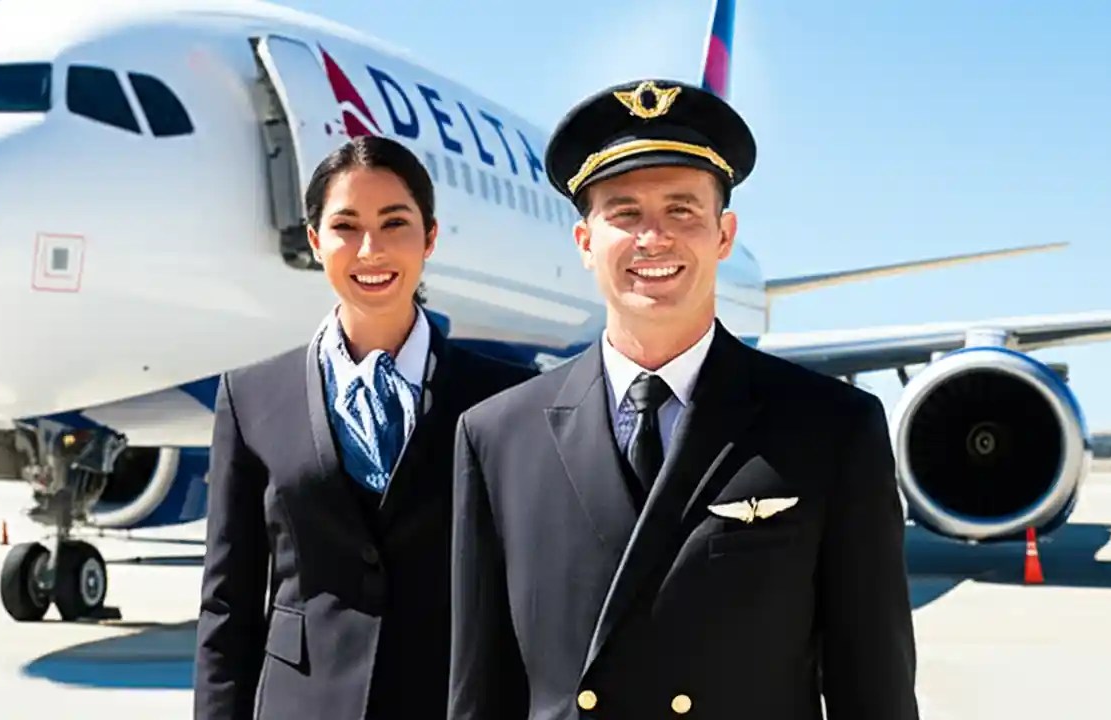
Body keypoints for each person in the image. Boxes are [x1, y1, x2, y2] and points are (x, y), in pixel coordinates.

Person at [448, 79, 918, 720]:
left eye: (682, 211)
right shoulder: (497, 437)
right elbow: (480, 691)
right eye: (625, 214)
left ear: (724, 236)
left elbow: (875, 687)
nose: (654, 238)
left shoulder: (831, 428)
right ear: (585, 242)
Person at [194, 135, 536, 720]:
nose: (370, 249)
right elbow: (228, 608)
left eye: (394, 223)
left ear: (430, 238)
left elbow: (530, 597)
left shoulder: (503, 398)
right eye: (346, 225)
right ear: (315, 240)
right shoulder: (251, 398)